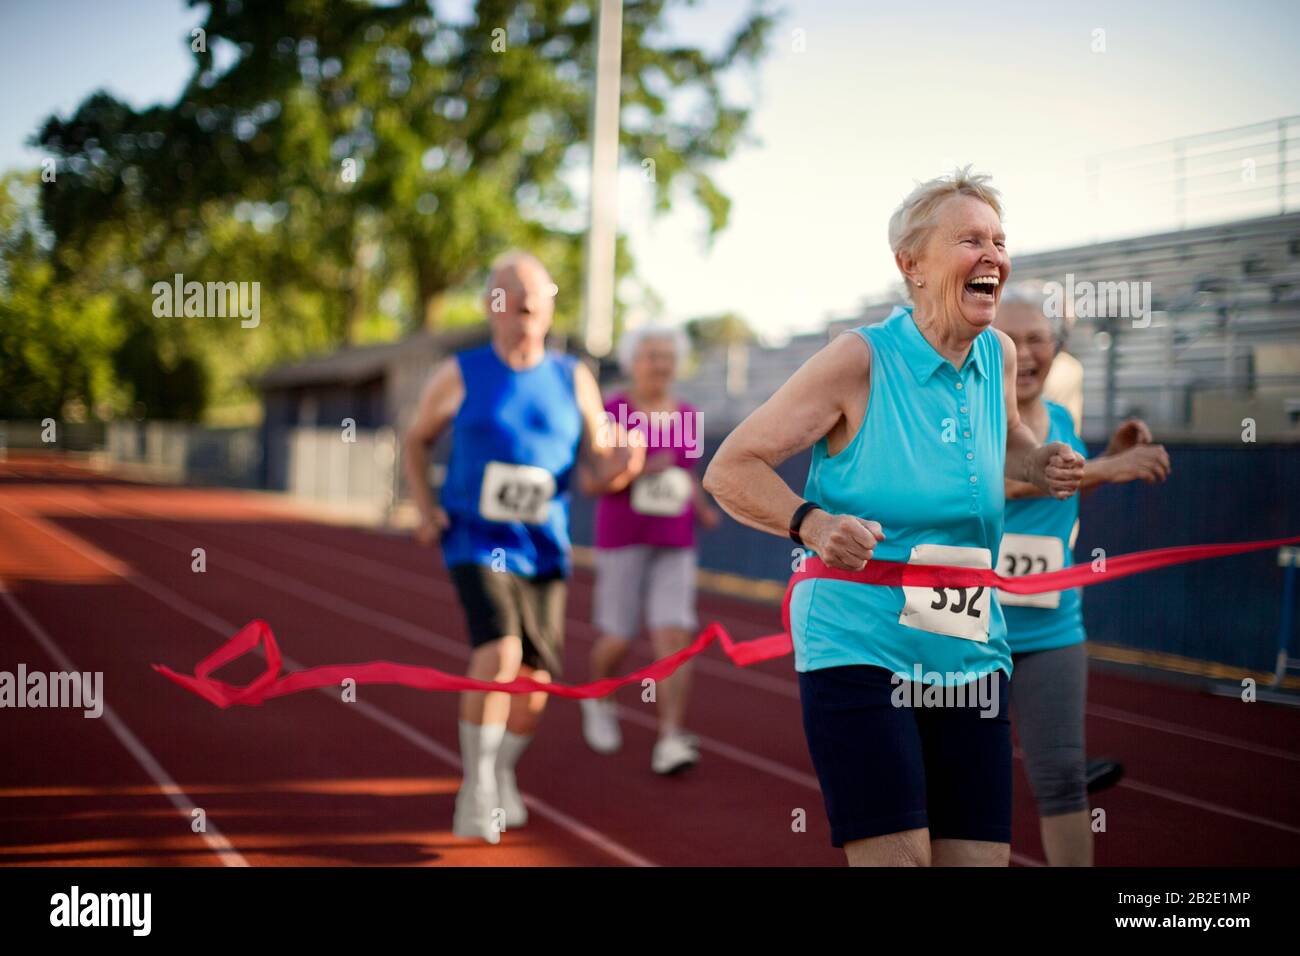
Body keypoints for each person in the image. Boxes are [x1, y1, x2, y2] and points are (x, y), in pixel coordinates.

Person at [703, 167, 1085, 867]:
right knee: (902, 859)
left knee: (977, 864)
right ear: (911, 264)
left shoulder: (996, 355)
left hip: (969, 644)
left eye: (1001, 241)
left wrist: (1039, 463)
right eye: (971, 240)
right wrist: (813, 524)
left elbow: (1008, 443)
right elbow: (731, 468)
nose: (994, 256)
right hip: (861, 641)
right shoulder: (860, 359)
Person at [402, 250, 644, 844]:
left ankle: (503, 772)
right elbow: (415, 440)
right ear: (493, 306)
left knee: (535, 683)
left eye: (537, 302)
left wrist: (624, 464)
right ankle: (478, 784)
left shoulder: (573, 378)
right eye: (514, 302)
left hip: (544, 548)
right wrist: (425, 509)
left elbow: (596, 470)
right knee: (501, 648)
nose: (527, 313)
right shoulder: (460, 373)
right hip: (474, 538)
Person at [995, 281, 1171, 866]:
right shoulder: (964, 425)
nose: (1026, 352)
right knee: (960, 786)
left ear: (1056, 348)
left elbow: (1059, 506)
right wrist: (1107, 467)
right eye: (1009, 341)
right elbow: (1010, 484)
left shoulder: (1065, 419)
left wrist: (1110, 456)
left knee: (1065, 781)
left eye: (1038, 339)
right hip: (966, 631)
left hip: (1052, 628)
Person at [579, 325, 722, 774]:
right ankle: (599, 697)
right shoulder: (611, 410)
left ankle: (670, 736)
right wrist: (633, 469)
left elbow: (684, 475)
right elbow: (590, 481)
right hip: (623, 536)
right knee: (618, 636)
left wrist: (702, 507)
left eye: (666, 355)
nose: (659, 364)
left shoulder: (687, 415)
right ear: (631, 362)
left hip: (675, 540)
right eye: (649, 355)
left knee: (674, 635)